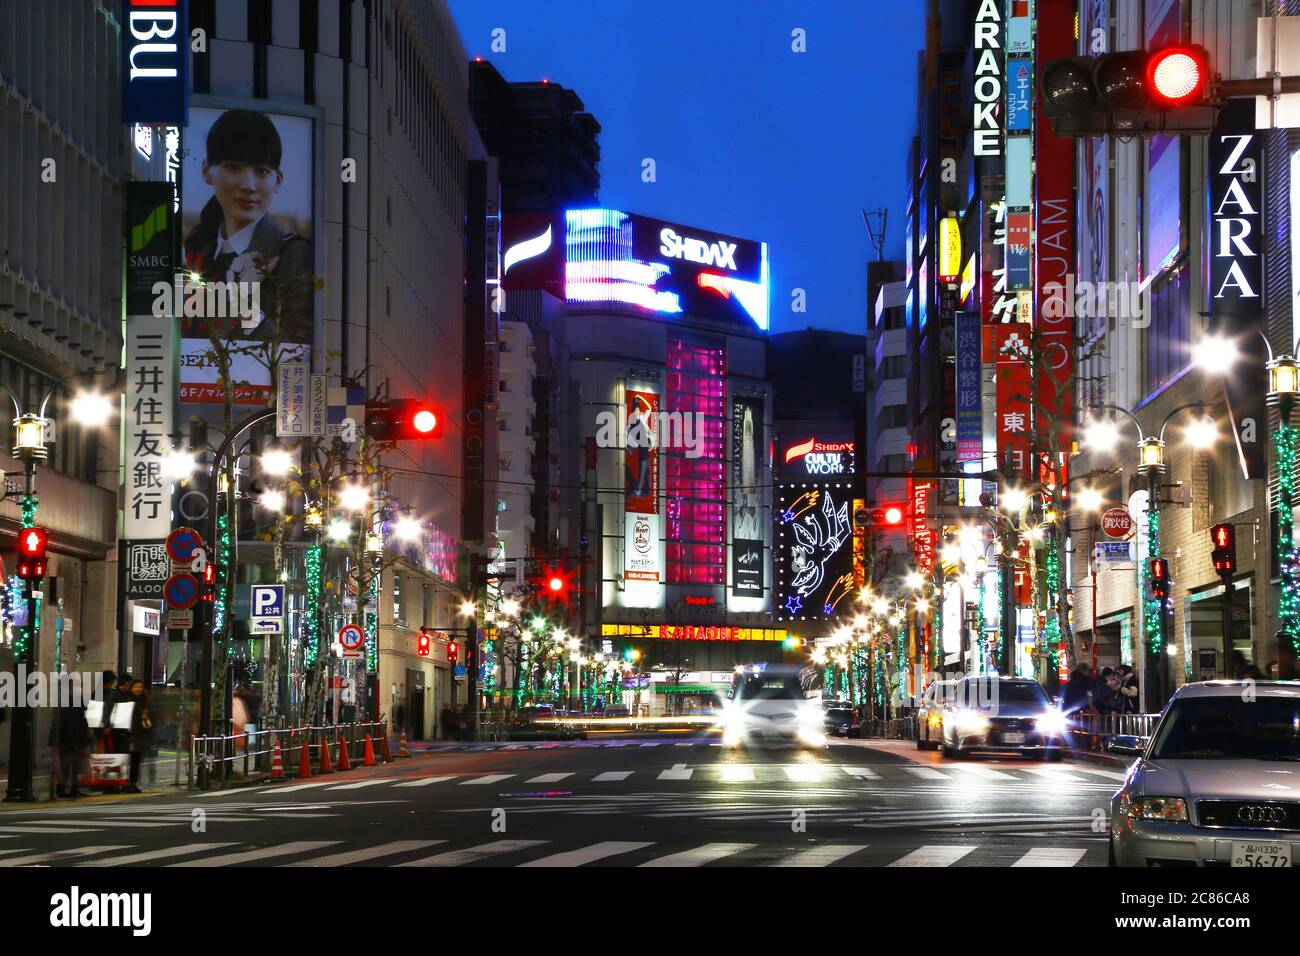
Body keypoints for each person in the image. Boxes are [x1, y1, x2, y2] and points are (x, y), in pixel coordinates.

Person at [182, 108, 314, 343]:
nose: (249, 185)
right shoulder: (199, 254)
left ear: (277, 180)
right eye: (233, 167)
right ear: (206, 171)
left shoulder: (293, 255)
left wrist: (244, 305)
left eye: (261, 171)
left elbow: (297, 351)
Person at [50, 696, 90, 798]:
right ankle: (69, 789)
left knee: (68, 765)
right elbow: (73, 721)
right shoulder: (71, 699)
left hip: (69, 738)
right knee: (69, 765)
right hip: (70, 738)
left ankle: (68, 789)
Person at [126, 679, 153, 794]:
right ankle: (126, 783)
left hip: (140, 735)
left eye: (140, 687)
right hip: (129, 735)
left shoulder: (144, 701)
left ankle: (133, 783)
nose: (139, 689)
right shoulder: (126, 700)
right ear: (131, 688)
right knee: (128, 760)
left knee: (136, 761)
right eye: (136, 686)